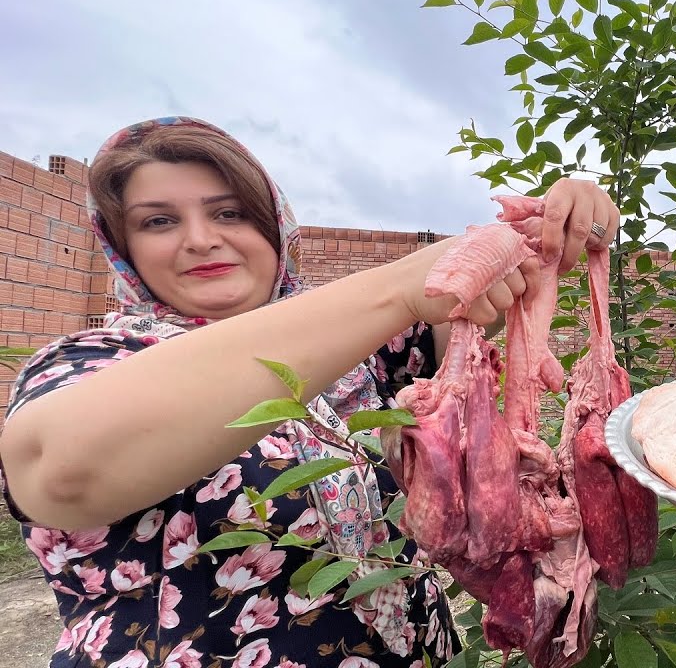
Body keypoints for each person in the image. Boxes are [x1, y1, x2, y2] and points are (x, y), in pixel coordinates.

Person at [0, 116, 621, 667]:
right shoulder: (91, 362)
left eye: (229, 212)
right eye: (159, 221)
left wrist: (556, 218)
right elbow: (63, 472)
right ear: (122, 244)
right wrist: (407, 283)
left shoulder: (356, 352)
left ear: (275, 225)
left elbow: (467, 308)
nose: (199, 239)